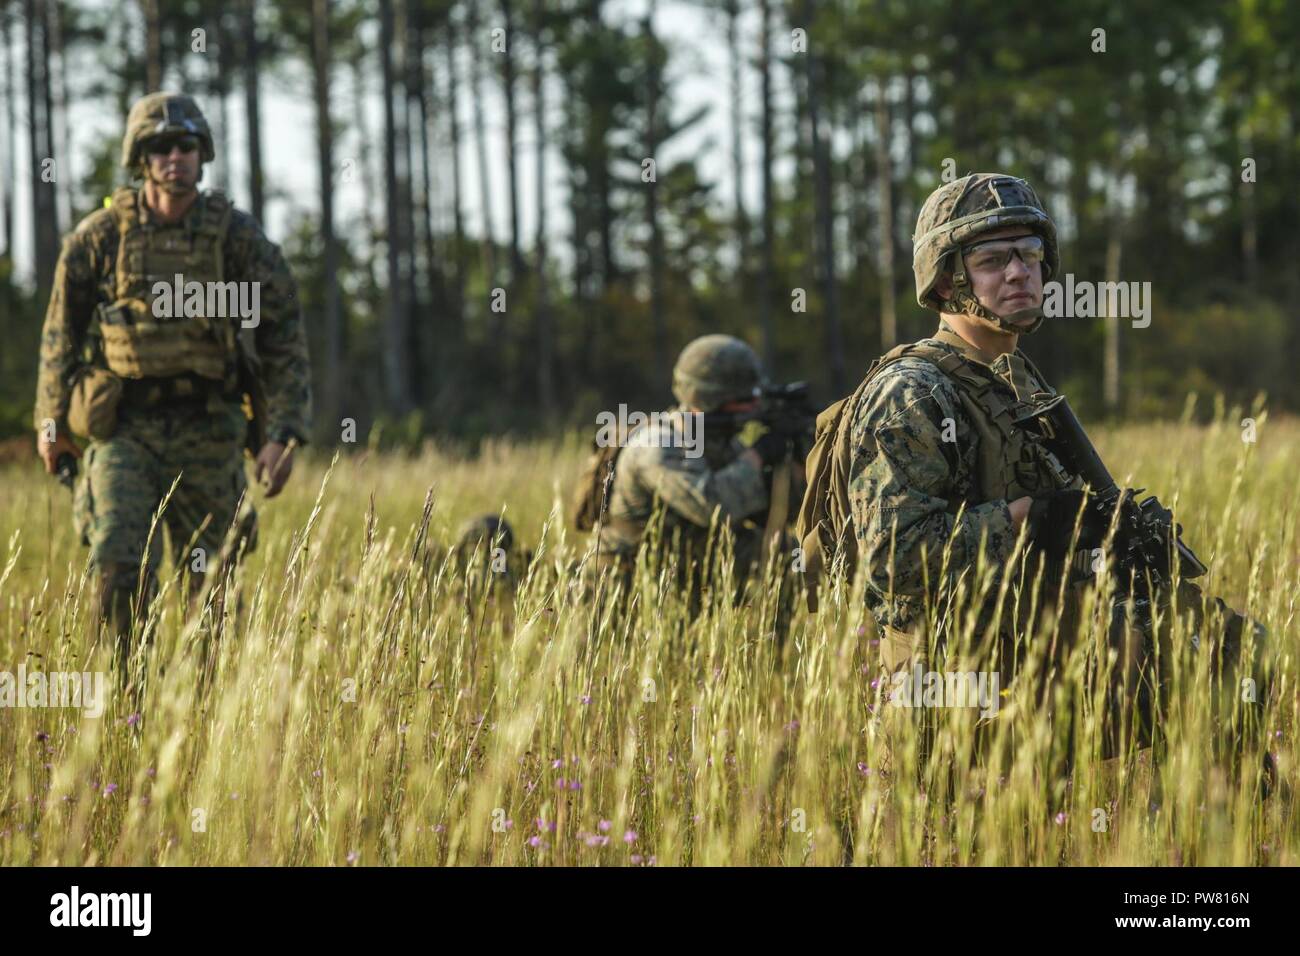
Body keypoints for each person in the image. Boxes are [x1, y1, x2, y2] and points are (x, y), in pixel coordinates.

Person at [32, 92, 312, 681]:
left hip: (209, 426)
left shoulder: (235, 238)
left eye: (186, 145)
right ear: (142, 156)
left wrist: (282, 433)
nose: (175, 157)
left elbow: (283, 333)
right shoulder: (101, 236)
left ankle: (202, 714)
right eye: (161, 146)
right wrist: (51, 424)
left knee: (214, 575)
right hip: (124, 428)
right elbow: (60, 334)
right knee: (116, 562)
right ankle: (124, 705)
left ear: (202, 153)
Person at [582, 334, 796, 613]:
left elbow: (770, 513)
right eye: (746, 398)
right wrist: (758, 455)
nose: (755, 406)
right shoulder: (658, 444)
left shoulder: (716, 441)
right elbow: (712, 506)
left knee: (788, 553)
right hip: (627, 584)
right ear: (712, 399)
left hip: (680, 566)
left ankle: (774, 652)